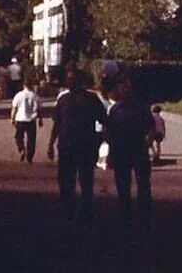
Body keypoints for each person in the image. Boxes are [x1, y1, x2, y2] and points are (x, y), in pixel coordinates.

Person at [48, 66, 107, 225]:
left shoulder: (91, 99)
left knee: (85, 181)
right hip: (66, 146)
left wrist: (99, 139)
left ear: (80, 82)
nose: (70, 82)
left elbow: (103, 121)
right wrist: (51, 143)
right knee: (65, 180)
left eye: (73, 79)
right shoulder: (63, 100)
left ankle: (84, 212)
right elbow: (57, 123)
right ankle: (68, 209)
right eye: (68, 79)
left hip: (85, 147)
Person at [106, 74, 154, 229]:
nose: (125, 89)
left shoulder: (141, 107)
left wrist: (149, 141)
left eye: (127, 86)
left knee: (143, 185)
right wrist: (110, 154)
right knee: (123, 186)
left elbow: (151, 127)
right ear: (118, 89)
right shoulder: (115, 110)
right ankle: (125, 216)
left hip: (139, 149)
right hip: (121, 151)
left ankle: (144, 216)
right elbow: (110, 133)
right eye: (122, 86)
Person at [10, 76, 42, 163]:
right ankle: (29, 156)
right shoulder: (35, 96)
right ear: (31, 85)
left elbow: (14, 108)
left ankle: (21, 149)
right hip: (31, 120)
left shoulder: (18, 95)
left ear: (23, 85)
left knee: (18, 137)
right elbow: (38, 109)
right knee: (31, 139)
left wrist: (12, 118)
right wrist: (40, 119)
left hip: (20, 119)